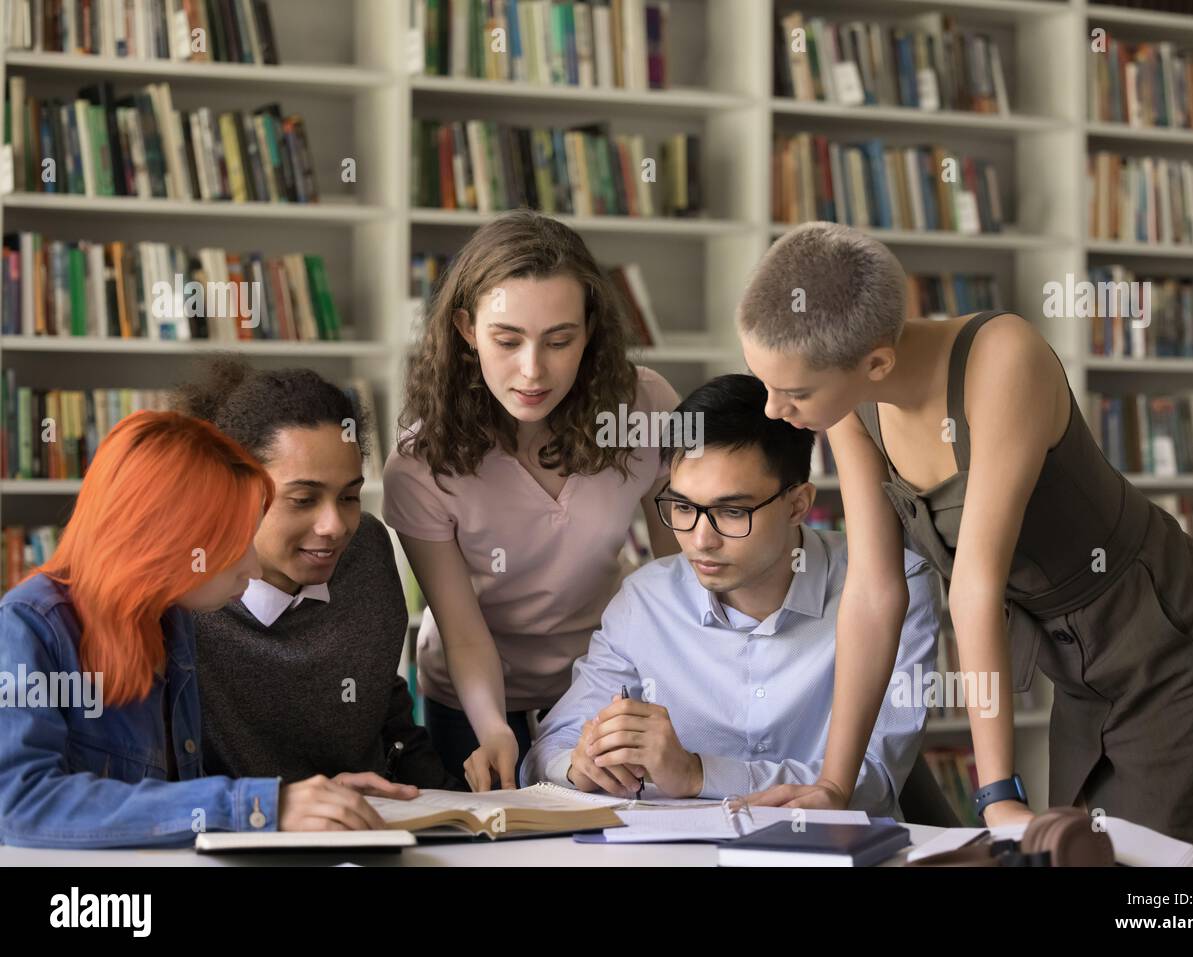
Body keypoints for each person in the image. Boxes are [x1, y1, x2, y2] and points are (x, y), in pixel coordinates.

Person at [736, 222, 1193, 860]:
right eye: (767, 385)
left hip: (1180, 657)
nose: (773, 410)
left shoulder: (1002, 357)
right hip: (1084, 682)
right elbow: (873, 592)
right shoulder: (847, 404)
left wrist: (994, 791)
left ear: (876, 361)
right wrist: (834, 785)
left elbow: (975, 583)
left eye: (795, 392)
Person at [522, 374, 940, 816]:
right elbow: (548, 750)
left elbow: (872, 779)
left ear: (799, 504)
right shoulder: (645, 601)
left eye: (732, 511)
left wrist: (699, 775)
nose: (701, 540)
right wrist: (580, 766)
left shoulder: (896, 585)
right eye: (683, 507)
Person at [0, 411, 396, 847]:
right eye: (233, 541)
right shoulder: (28, 626)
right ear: (167, 537)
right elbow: (19, 805)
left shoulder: (172, 622)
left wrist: (308, 800)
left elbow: (172, 803)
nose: (250, 566)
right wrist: (257, 805)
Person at [384, 210, 681, 791]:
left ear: (590, 330)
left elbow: (678, 578)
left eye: (559, 340)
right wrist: (495, 728)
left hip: (602, 685)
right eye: (506, 339)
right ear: (468, 329)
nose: (532, 370)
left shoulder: (644, 408)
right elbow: (463, 630)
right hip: (469, 701)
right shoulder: (422, 461)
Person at [176, 360, 458, 789]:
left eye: (348, 496)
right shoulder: (186, 591)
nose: (336, 526)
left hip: (367, 825)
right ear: (234, 489)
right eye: (304, 499)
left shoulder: (366, 548)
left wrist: (454, 806)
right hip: (237, 834)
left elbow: (382, 702)